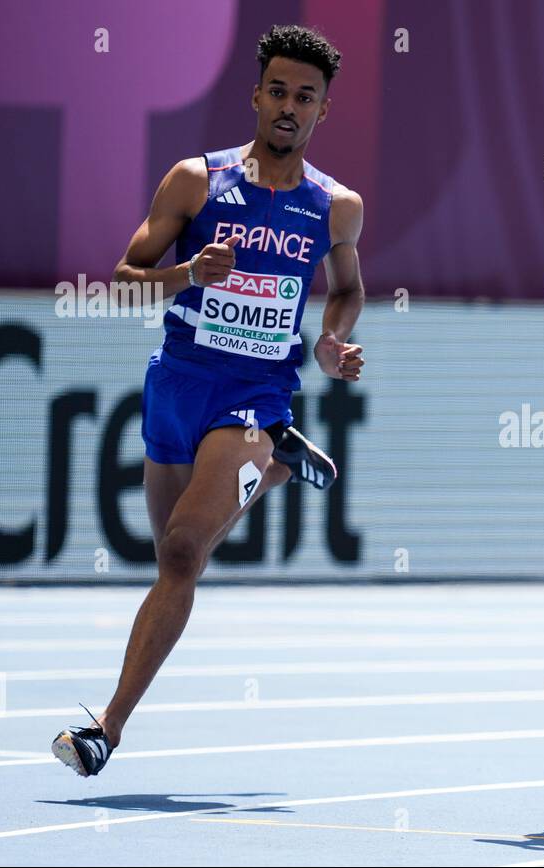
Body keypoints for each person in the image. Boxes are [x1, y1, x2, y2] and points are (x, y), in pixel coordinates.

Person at [52, 25, 366, 776]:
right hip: (177, 386)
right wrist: (189, 272)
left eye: (307, 98)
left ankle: (107, 729)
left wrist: (330, 339)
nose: (290, 107)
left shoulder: (335, 206)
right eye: (280, 92)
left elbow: (348, 289)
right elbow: (125, 275)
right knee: (173, 559)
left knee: (187, 549)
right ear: (256, 96)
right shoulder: (196, 180)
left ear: (324, 112)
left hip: (255, 394)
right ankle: (281, 468)